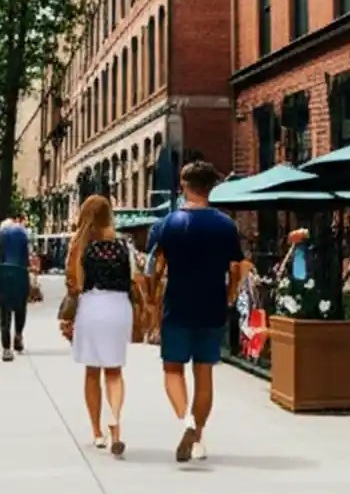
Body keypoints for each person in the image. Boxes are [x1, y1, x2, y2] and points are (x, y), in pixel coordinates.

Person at [147, 161, 245, 463]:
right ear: (210, 187)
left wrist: (151, 300)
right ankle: (198, 434)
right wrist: (229, 296)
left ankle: (185, 421)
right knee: (204, 374)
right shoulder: (227, 225)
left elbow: (156, 267)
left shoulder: (167, 224)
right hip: (212, 304)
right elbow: (235, 268)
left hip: (177, 303)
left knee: (172, 370)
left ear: (183, 185)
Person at [67, 194, 135, 456]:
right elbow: (131, 280)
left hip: (92, 306)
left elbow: (75, 284)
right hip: (119, 307)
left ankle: (96, 432)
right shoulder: (122, 246)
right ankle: (115, 425)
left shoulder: (81, 247)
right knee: (115, 371)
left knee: (92, 372)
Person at [0, 214, 32, 360]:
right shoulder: (23, 234)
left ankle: (6, 348)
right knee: (21, 309)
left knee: (4, 313)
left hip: (4, 275)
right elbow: (28, 259)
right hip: (20, 274)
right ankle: (18, 334)